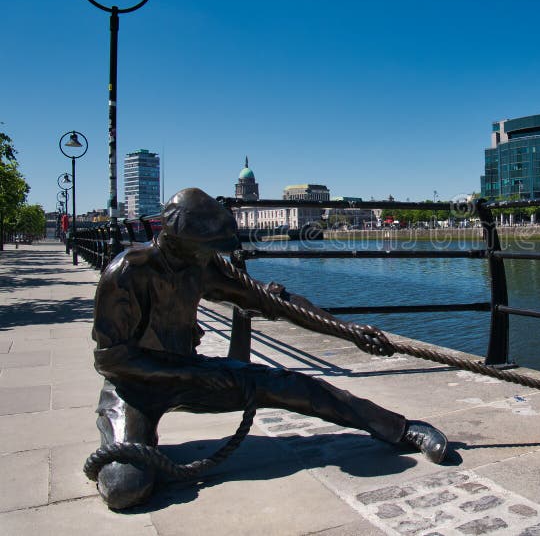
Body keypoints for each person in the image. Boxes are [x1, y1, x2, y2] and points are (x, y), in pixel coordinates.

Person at [92, 188, 448, 510]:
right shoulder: (125, 274)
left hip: (190, 374)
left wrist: (347, 331)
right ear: (179, 241)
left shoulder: (201, 265)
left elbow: (277, 304)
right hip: (134, 386)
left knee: (297, 387)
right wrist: (188, 373)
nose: (214, 255)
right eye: (208, 247)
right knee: (126, 489)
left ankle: (400, 429)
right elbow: (112, 361)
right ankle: (130, 437)